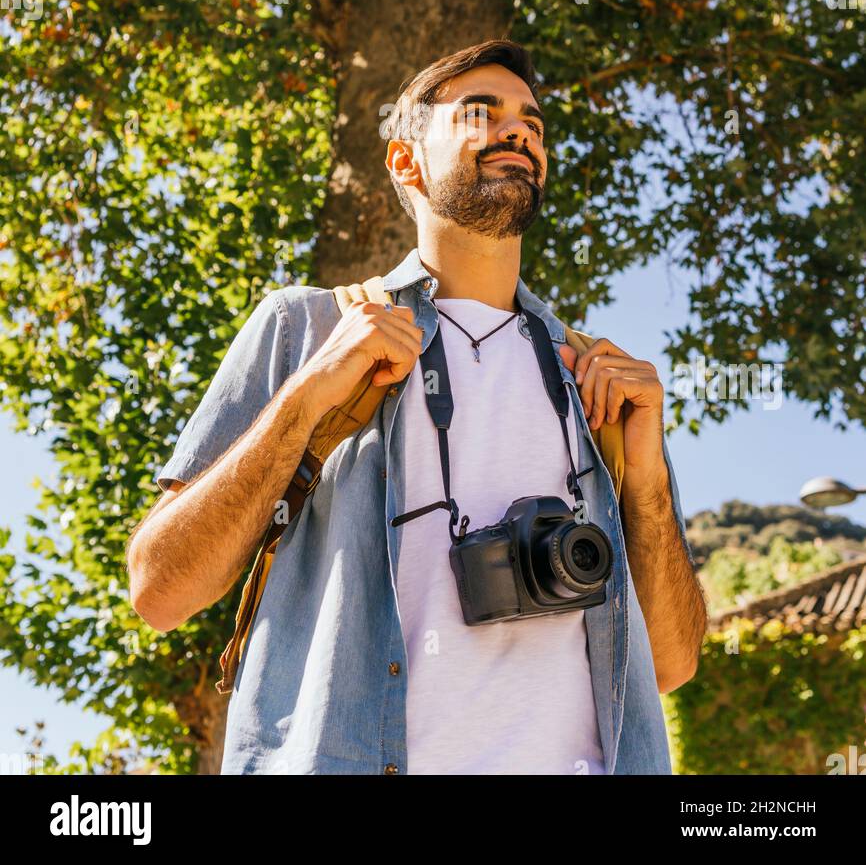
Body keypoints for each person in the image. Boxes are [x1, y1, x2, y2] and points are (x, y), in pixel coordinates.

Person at [127, 38, 707, 774]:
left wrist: (649, 478)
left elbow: (669, 665)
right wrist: (305, 398)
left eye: (532, 121)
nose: (520, 130)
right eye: (480, 111)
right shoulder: (308, 328)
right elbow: (159, 591)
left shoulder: (598, 381)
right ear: (406, 161)